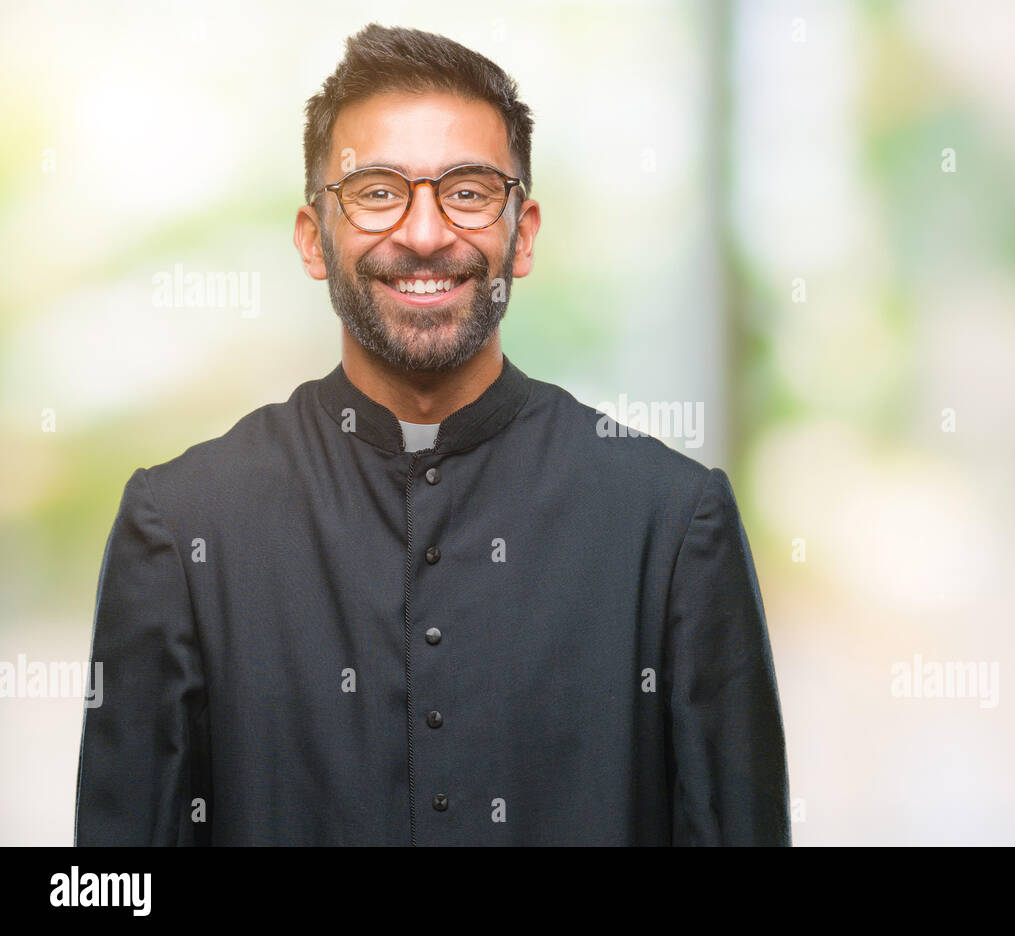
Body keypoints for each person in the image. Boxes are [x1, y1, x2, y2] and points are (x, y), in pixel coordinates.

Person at [74, 22, 790, 846]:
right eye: (377, 190)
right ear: (315, 238)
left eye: (470, 190)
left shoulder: (670, 523)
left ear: (522, 234)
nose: (423, 234)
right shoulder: (181, 525)